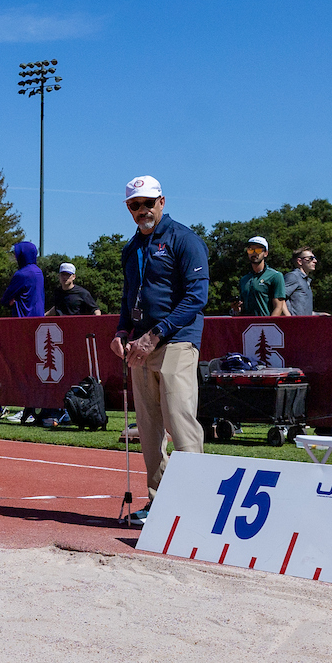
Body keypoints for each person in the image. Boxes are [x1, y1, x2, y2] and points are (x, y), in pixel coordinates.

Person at [110, 175, 208, 526]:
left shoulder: (185, 240)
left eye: (148, 203)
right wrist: (122, 330)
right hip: (140, 344)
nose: (143, 210)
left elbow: (197, 297)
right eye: (135, 205)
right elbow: (127, 298)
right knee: (149, 432)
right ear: (128, 208)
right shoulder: (131, 247)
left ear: (162, 202)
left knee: (180, 424)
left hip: (176, 341)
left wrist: (156, 334)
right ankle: (160, 503)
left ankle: (196, 508)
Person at [233, 236, 289, 317]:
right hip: (247, 326)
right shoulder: (244, 279)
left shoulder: (275, 276)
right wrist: (237, 309)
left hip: (265, 326)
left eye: (258, 250)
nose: (254, 253)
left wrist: (269, 326)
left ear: (265, 253)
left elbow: (278, 307)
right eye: (251, 250)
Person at [2, 241, 44, 318]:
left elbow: (6, 299)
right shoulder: (38, 271)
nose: (15, 256)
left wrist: (10, 301)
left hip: (24, 318)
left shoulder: (22, 274)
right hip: (39, 316)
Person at [284, 247, 326, 316]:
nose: (315, 261)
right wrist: (289, 318)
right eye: (310, 258)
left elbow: (301, 310)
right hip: (294, 324)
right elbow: (279, 299)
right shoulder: (293, 276)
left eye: (314, 258)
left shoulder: (305, 281)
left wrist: (318, 314)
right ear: (299, 261)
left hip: (304, 324)